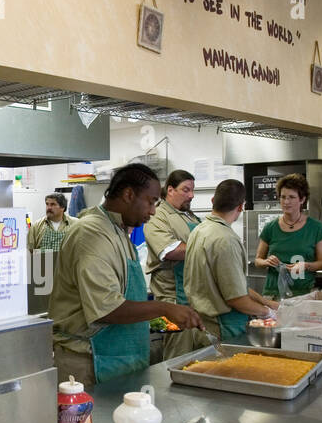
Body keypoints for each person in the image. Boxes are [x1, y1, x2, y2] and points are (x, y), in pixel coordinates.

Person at [48, 163, 204, 386]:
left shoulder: (118, 230)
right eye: (150, 202)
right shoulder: (92, 232)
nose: (152, 211)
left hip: (116, 357)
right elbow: (107, 308)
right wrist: (166, 308)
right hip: (88, 363)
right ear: (129, 194)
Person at [184, 179, 279, 340]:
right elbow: (237, 299)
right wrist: (268, 313)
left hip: (202, 324)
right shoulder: (225, 239)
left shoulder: (199, 230)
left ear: (213, 201)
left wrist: (267, 302)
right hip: (222, 327)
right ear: (241, 207)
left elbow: (232, 285)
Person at [143, 169, 205, 357]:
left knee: (198, 355)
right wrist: (207, 247)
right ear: (170, 190)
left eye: (192, 190)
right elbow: (170, 250)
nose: (191, 195)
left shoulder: (191, 216)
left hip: (195, 297)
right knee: (178, 355)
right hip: (173, 299)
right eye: (186, 190)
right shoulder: (158, 215)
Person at [254, 173, 322, 297]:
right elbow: (257, 261)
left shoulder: (315, 228)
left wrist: (306, 265)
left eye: (292, 197)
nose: (286, 202)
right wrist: (267, 261)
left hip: (303, 294)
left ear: (302, 199)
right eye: (283, 197)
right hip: (273, 293)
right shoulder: (270, 227)